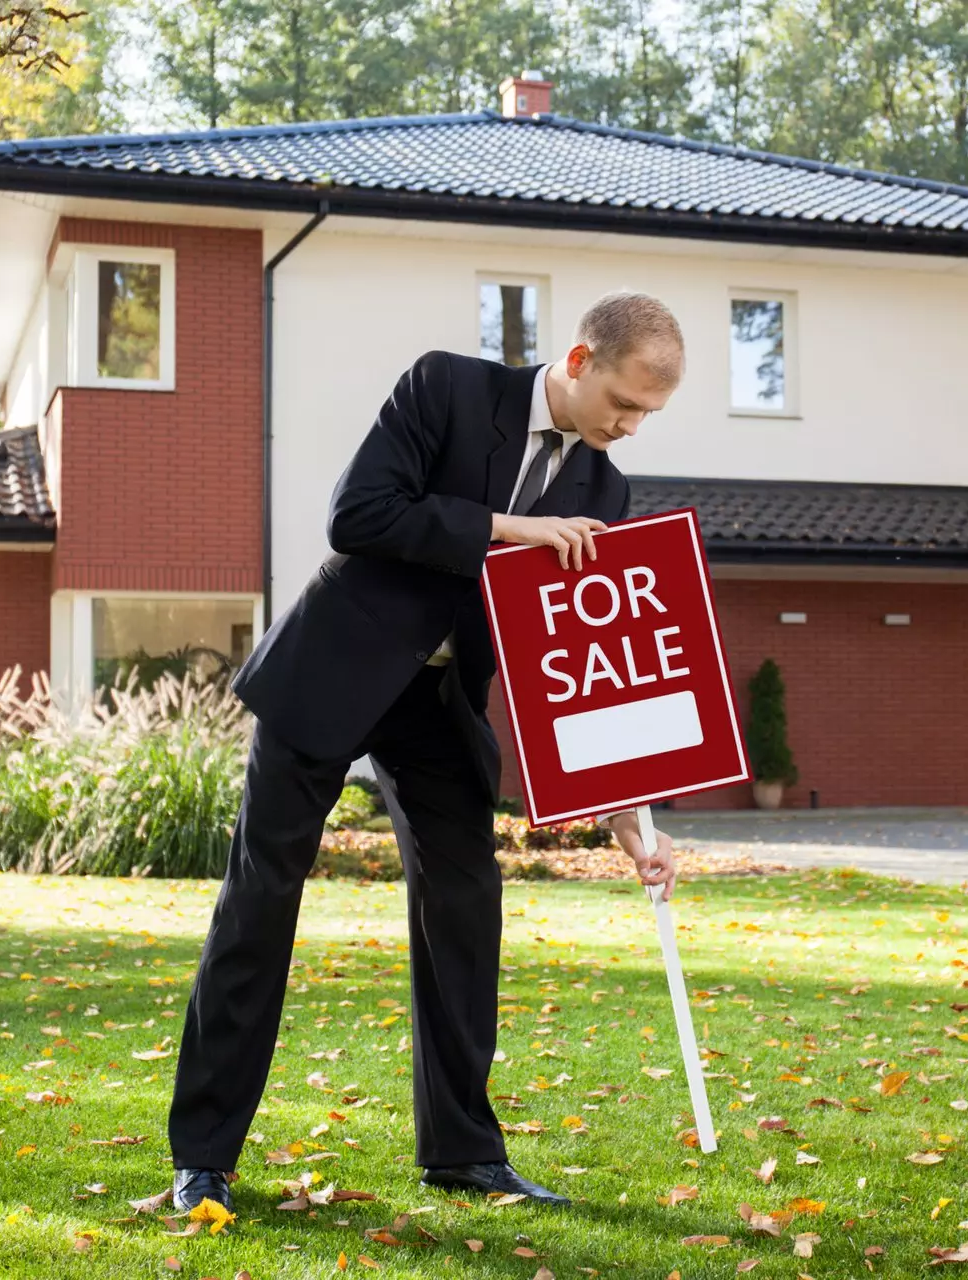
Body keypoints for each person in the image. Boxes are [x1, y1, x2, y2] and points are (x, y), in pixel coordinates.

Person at [164, 290, 688, 1213]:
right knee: (261, 894)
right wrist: (509, 531)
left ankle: (462, 1153)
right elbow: (359, 514)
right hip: (332, 669)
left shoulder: (606, 488)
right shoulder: (445, 388)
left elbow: (593, 669)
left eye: (650, 413)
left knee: (466, 901)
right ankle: (203, 1156)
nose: (633, 428)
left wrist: (630, 819)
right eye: (626, 404)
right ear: (577, 363)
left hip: (439, 705)